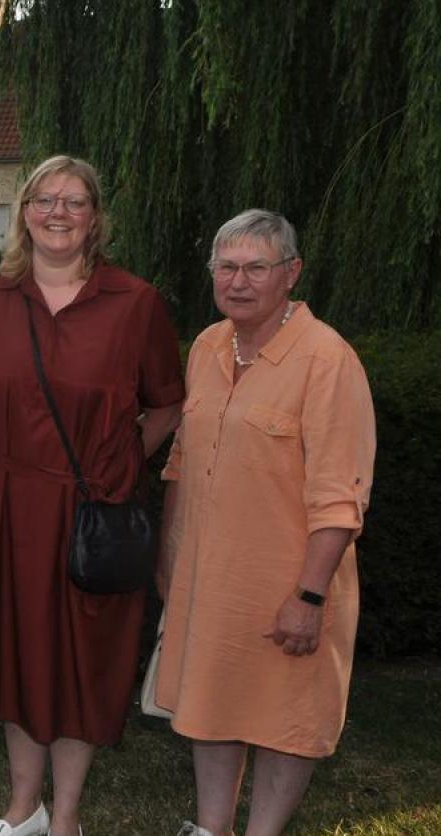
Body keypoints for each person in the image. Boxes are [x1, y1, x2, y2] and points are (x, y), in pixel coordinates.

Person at [0, 155, 184, 836]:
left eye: (75, 202)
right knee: (16, 656)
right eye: (44, 199)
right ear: (24, 213)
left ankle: (67, 815)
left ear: (95, 218)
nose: (58, 214)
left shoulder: (135, 303)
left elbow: (168, 405)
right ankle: (24, 809)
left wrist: (116, 465)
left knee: (84, 661)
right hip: (3, 512)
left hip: (91, 519)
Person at [156, 210, 375, 836]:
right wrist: (170, 560)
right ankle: (212, 828)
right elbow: (181, 463)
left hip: (290, 583)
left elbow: (340, 497)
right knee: (211, 705)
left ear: (291, 273)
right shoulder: (206, 347)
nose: (238, 281)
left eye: (257, 267)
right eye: (226, 267)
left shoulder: (327, 359)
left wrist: (309, 597)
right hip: (211, 580)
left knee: (286, 718)